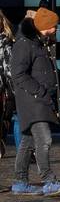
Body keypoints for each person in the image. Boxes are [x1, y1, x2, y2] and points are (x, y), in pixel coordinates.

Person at [11, 7, 60, 196]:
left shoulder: (41, 43)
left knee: (27, 141)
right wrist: (40, 92)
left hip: (38, 100)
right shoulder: (24, 43)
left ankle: (20, 182)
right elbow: (17, 74)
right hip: (32, 101)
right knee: (44, 139)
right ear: (45, 26)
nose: (56, 29)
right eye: (54, 26)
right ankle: (48, 181)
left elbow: (46, 69)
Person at [0, 10, 15, 159]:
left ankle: (2, 141)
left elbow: (9, 67)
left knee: (5, 117)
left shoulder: (8, 40)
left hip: (6, 87)